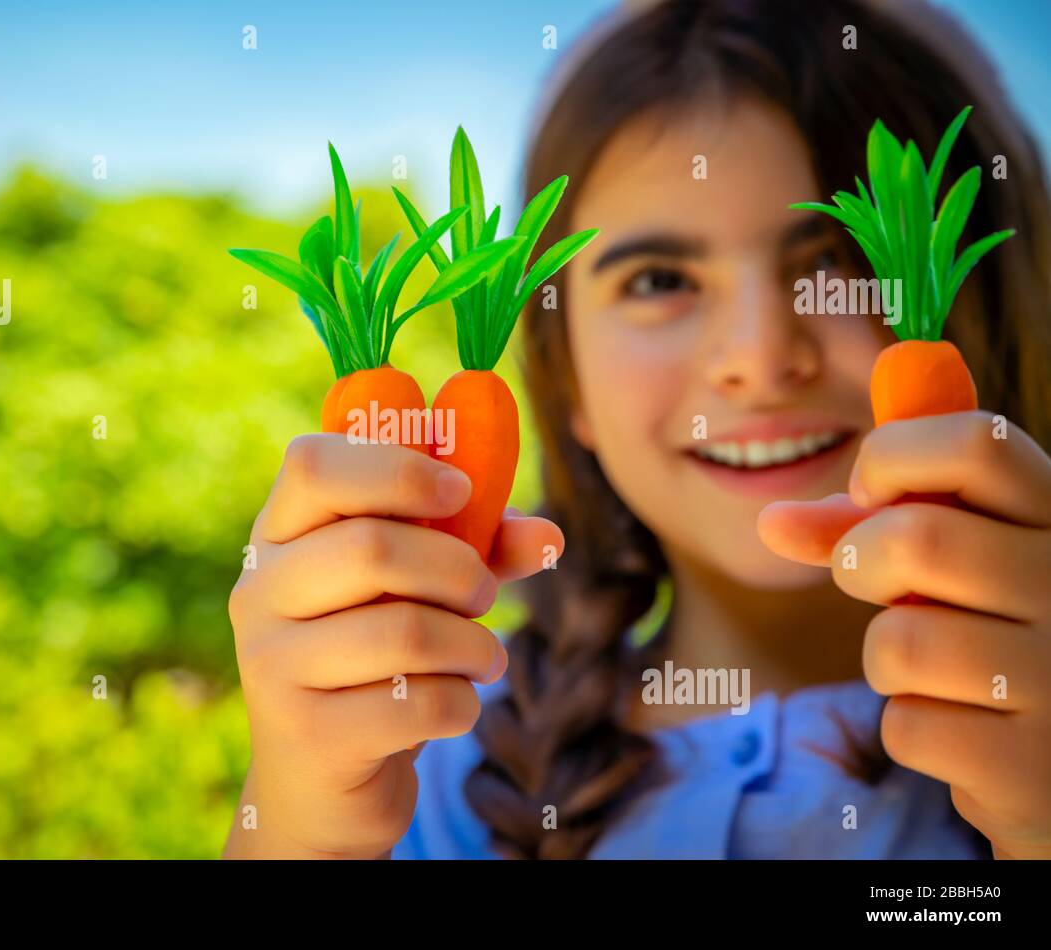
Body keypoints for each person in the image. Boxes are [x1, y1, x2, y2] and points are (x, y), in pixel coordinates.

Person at [223, 0, 1051, 859]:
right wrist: (295, 827)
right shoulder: (428, 770)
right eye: (659, 281)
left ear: (991, 304)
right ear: (567, 372)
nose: (760, 359)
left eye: (840, 262)